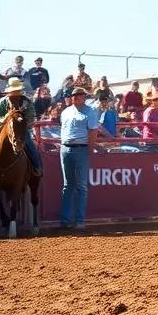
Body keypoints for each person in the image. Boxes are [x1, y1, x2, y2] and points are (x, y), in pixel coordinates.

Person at [58, 87, 98, 230]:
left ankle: (79, 220)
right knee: (68, 185)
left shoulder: (90, 112)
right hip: (65, 148)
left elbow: (93, 132)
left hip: (81, 148)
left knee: (80, 185)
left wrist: (90, 148)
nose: (75, 97)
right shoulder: (66, 111)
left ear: (84, 97)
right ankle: (65, 220)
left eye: (78, 95)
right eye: (73, 94)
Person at [0, 79, 43, 175]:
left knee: (32, 148)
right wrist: (7, 118)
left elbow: (32, 118)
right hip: (4, 130)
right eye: (14, 91)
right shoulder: (2, 102)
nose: (15, 93)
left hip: (22, 131)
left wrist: (22, 125)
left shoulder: (26, 101)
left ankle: (38, 168)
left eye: (17, 91)